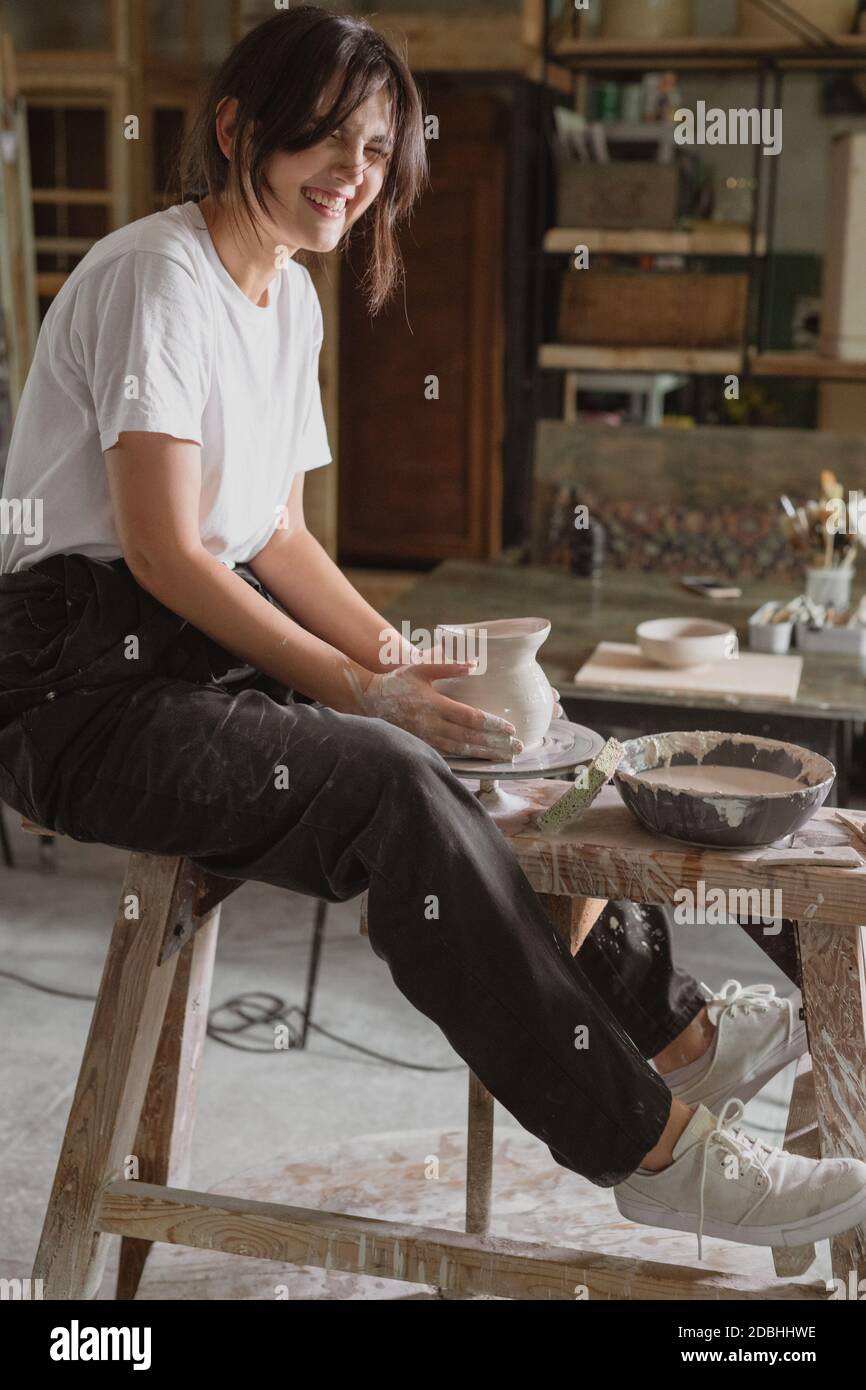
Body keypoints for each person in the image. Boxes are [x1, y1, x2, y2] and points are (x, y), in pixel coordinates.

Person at [1, 5, 864, 1258]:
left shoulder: (286, 297)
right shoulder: (157, 274)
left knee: (516, 729)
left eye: (377, 152)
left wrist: (404, 665)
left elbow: (279, 535)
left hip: (190, 649)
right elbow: (166, 548)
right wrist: (362, 692)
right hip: (73, 688)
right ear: (239, 127)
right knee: (393, 782)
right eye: (331, 143)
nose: (356, 177)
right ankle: (647, 1148)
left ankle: (674, 1029)